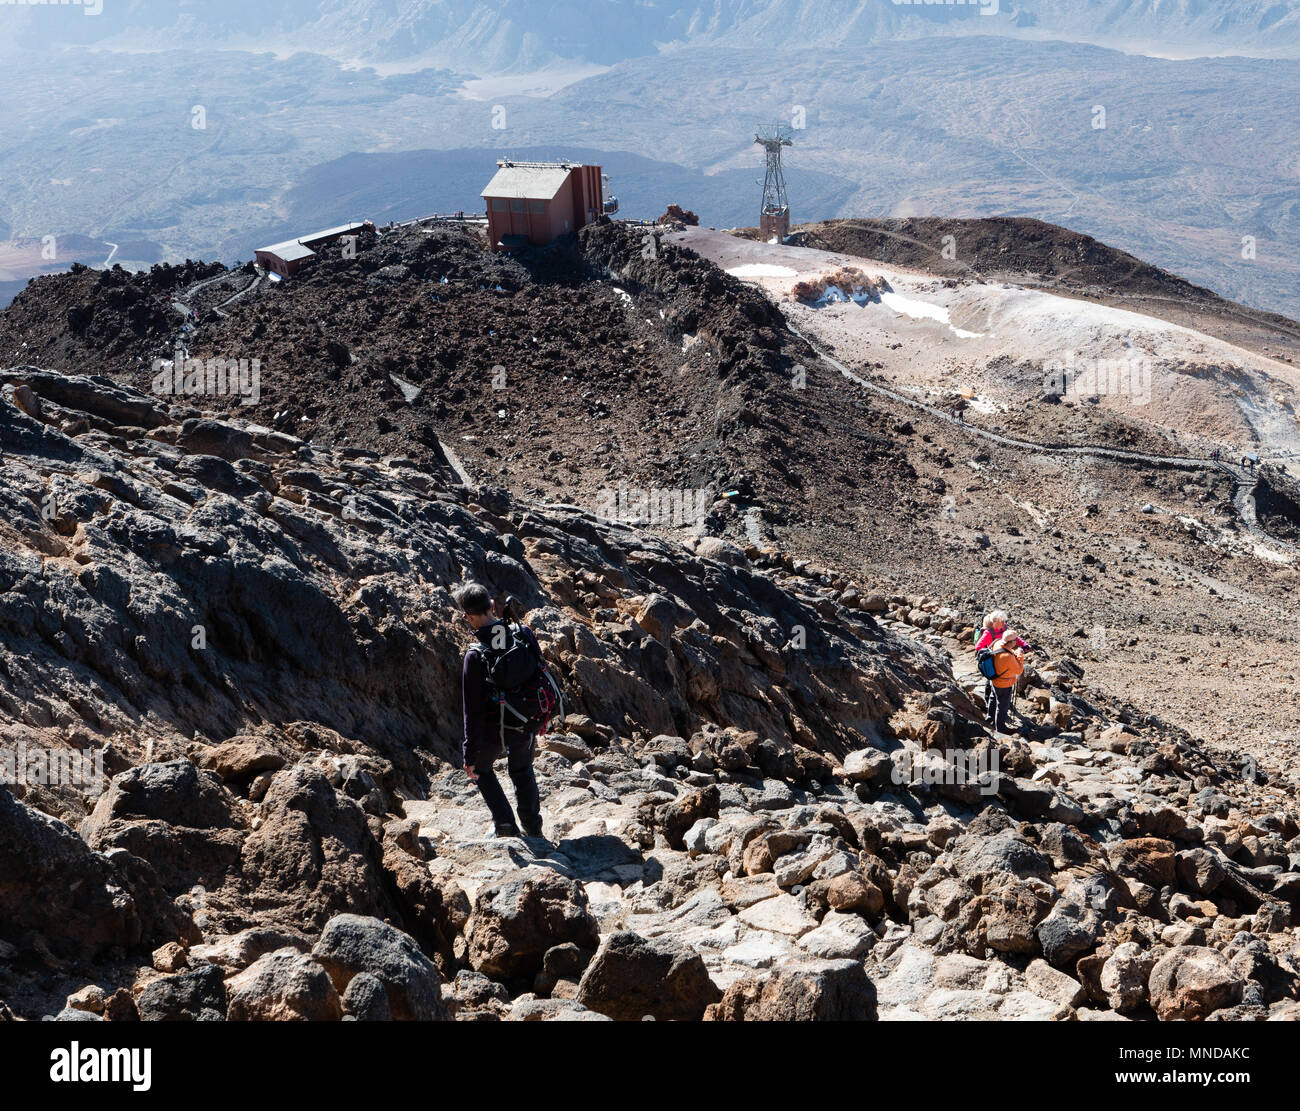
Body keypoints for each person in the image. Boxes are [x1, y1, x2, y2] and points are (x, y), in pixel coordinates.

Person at [453, 583, 549, 839]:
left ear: (467, 616)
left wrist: (469, 754)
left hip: (496, 731)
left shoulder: (474, 656)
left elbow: (472, 711)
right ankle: (534, 828)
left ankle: (505, 825)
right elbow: (543, 676)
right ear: (492, 605)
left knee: (482, 771)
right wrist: (544, 716)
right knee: (522, 771)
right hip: (528, 722)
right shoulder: (523, 632)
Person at [986, 631, 1025, 734]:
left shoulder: (997, 643)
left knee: (993, 698)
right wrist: (1020, 654)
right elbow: (1019, 670)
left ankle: (990, 717)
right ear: (1010, 642)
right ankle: (1001, 728)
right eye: (1015, 640)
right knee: (1002, 706)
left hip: (994, 679)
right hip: (1004, 684)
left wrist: (1014, 653)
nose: (1017, 641)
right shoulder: (1007, 657)